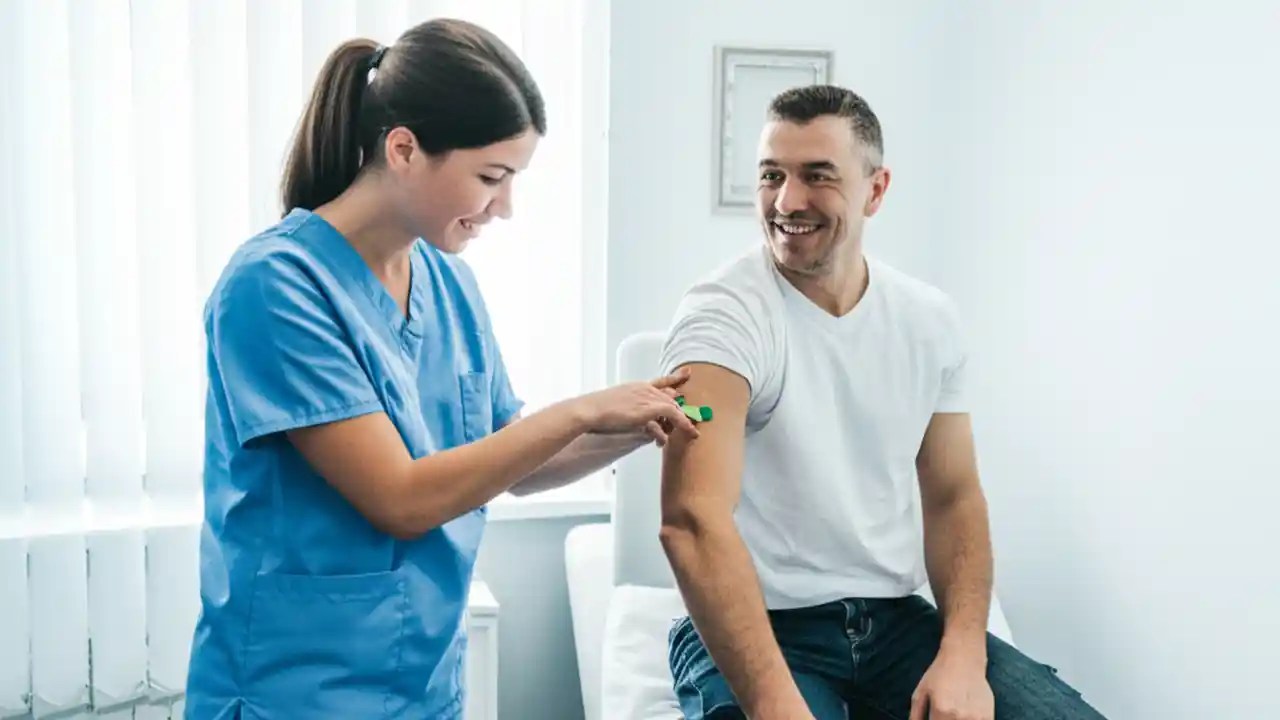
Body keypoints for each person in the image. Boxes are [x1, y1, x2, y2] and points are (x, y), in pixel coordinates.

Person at [184, 18, 698, 720]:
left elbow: (510, 458)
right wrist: (583, 408)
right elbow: (403, 499)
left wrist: (649, 417)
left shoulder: (446, 283)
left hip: (421, 687)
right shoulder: (274, 286)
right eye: (491, 177)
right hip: (295, 690)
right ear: (403, 149)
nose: (505, 207)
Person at [656, 85, 1107, 720]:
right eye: (771, 175)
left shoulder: (927, 320)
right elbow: (692, 519)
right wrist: (775, 705)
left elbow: (954, 497)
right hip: (763, 624)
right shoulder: (722, 316)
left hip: (895, 624)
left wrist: (962, 655)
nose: (787, 201)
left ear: (875, 188)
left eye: (817, 176)